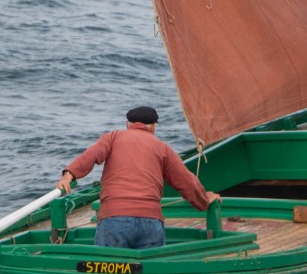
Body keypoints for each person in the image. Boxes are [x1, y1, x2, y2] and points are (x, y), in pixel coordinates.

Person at [56, 105, 219, 249]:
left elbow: (90, 157)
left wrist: (68, 175)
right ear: (154, 127)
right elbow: (186, 181)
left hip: (114, 219)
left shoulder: (112, 138)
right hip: (150, 221)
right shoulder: (162, 148)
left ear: (128, 125)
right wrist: (204, 200)